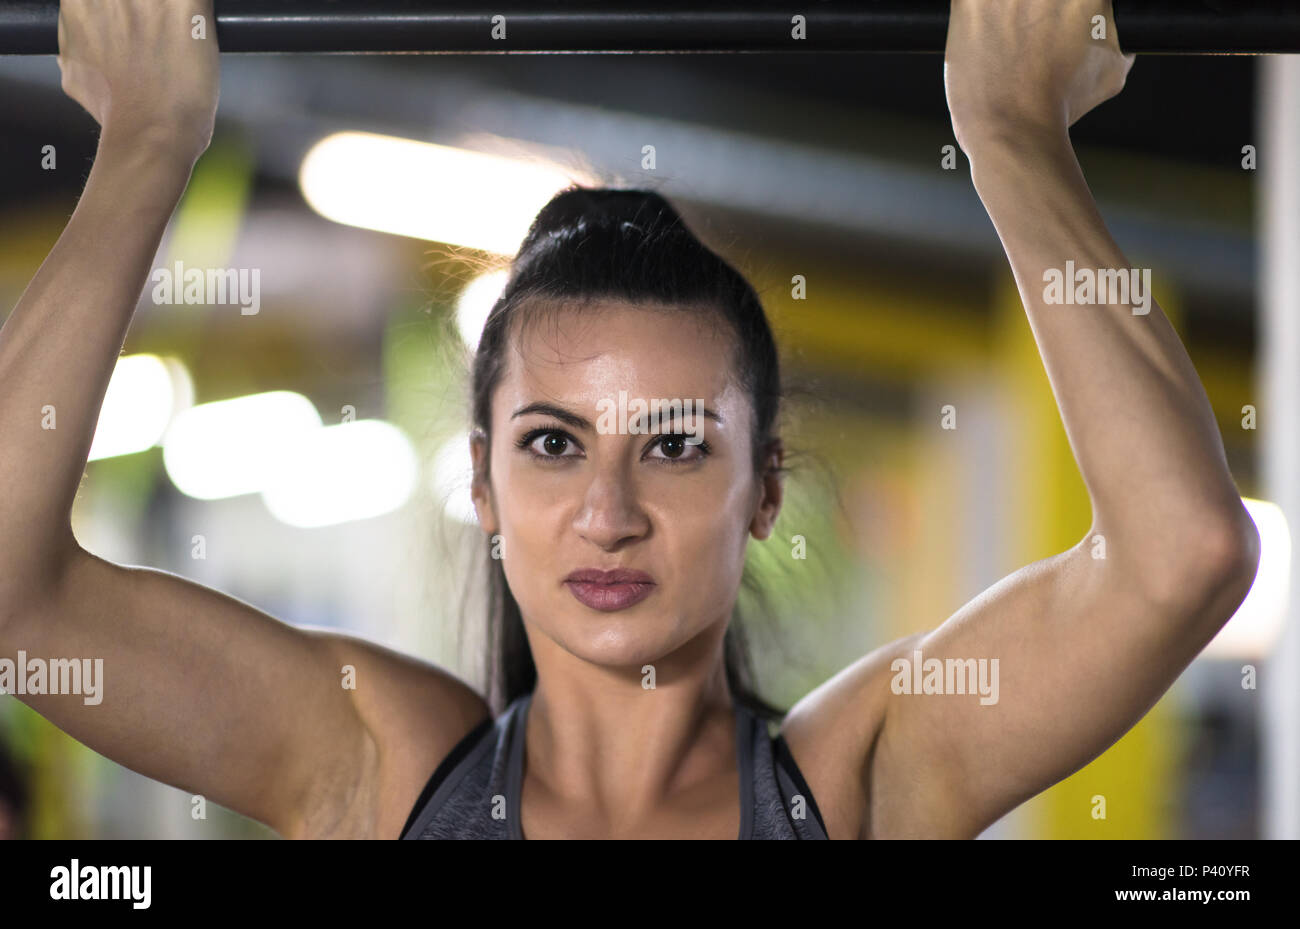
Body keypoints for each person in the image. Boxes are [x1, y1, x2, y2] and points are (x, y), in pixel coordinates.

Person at [0, 0, 1260, 840]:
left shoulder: (851, 778)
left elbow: (1179, 553)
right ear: (483, 487)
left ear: (763, 489)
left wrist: (1006, 135)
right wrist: (149, 142)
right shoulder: (382, 766)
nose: (607, 512)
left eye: (673, 444)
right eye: (552, 443)